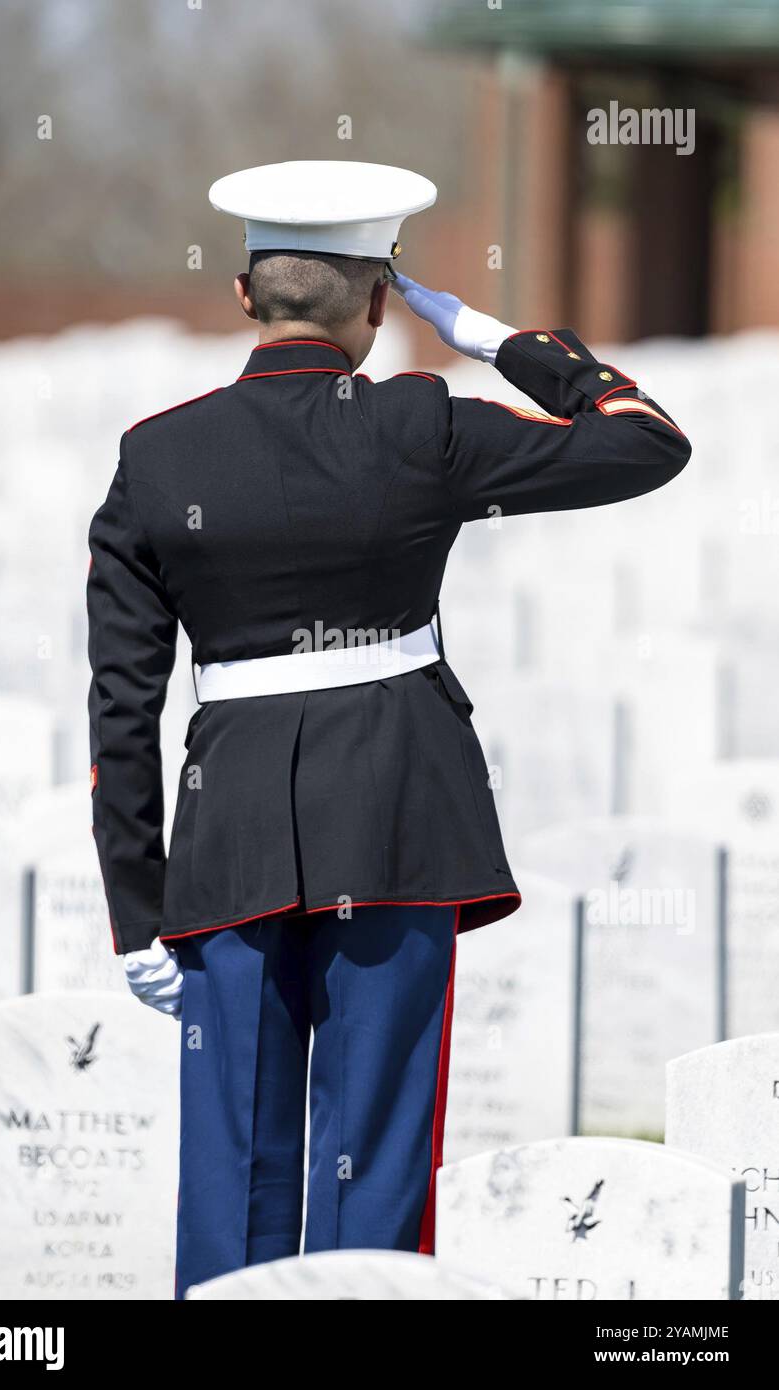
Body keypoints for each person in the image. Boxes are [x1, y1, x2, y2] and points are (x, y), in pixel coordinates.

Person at [86, 160, 691, 1297]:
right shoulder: (419, 424)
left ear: (240, 295)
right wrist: (494, 338)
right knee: (374, 1158)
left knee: (233, 1168)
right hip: (398, 821)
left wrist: (135, 909)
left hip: (229, 847)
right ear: (378, 303)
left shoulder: (157, 457)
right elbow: (644, 439)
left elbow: (121, 702)